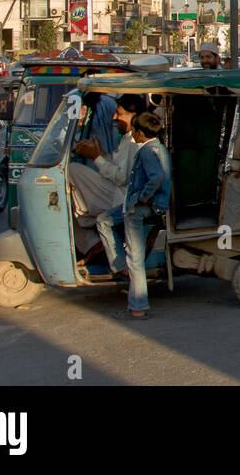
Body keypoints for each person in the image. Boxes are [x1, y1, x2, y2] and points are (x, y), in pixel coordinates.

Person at [96, 111, 171, 320]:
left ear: (139, 132)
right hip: (141, 207)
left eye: (134, 131)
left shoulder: (147, 151)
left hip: (138, 211)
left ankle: (137, 305)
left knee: (135, 259)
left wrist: (142, 197)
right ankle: (121, 267)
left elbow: (157, 177)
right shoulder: (159, 148)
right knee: (104, 220)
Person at [71, 94, 147, 219]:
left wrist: (96, 157)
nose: (114, 117)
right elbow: (119, 166)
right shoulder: (127, 138)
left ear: (133, 116)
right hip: (120, 192)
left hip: (123, 197)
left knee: (73, 170)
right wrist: (100, 154)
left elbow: (121, 178)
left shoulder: (135, 141)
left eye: (119, 114)